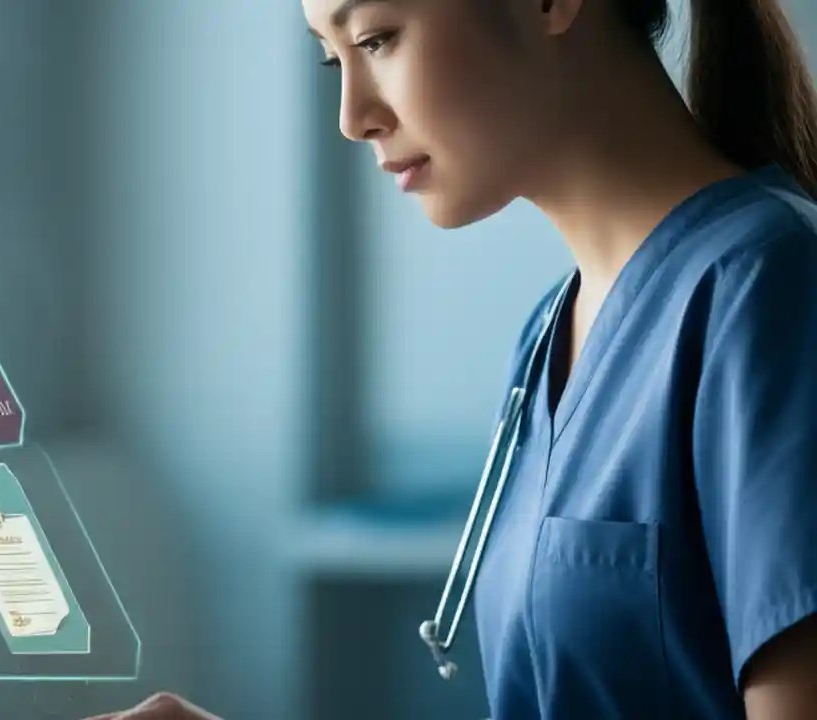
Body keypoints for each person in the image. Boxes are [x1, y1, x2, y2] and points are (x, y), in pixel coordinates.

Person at [87, 0, 817, 717]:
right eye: (330, 57)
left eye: (375, 39)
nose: (351, 117)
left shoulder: (770, 287)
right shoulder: (544, 340)